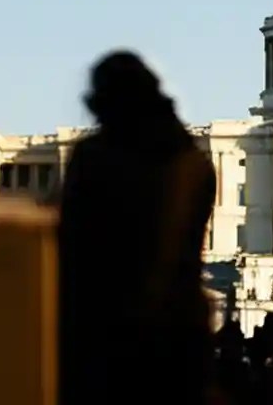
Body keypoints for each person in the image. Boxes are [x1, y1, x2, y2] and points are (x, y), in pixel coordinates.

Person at [58, 51, 217, 405]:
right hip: (180, 329)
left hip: (111, 329)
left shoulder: (96, 156)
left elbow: (73, 241)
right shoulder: (194, 162)